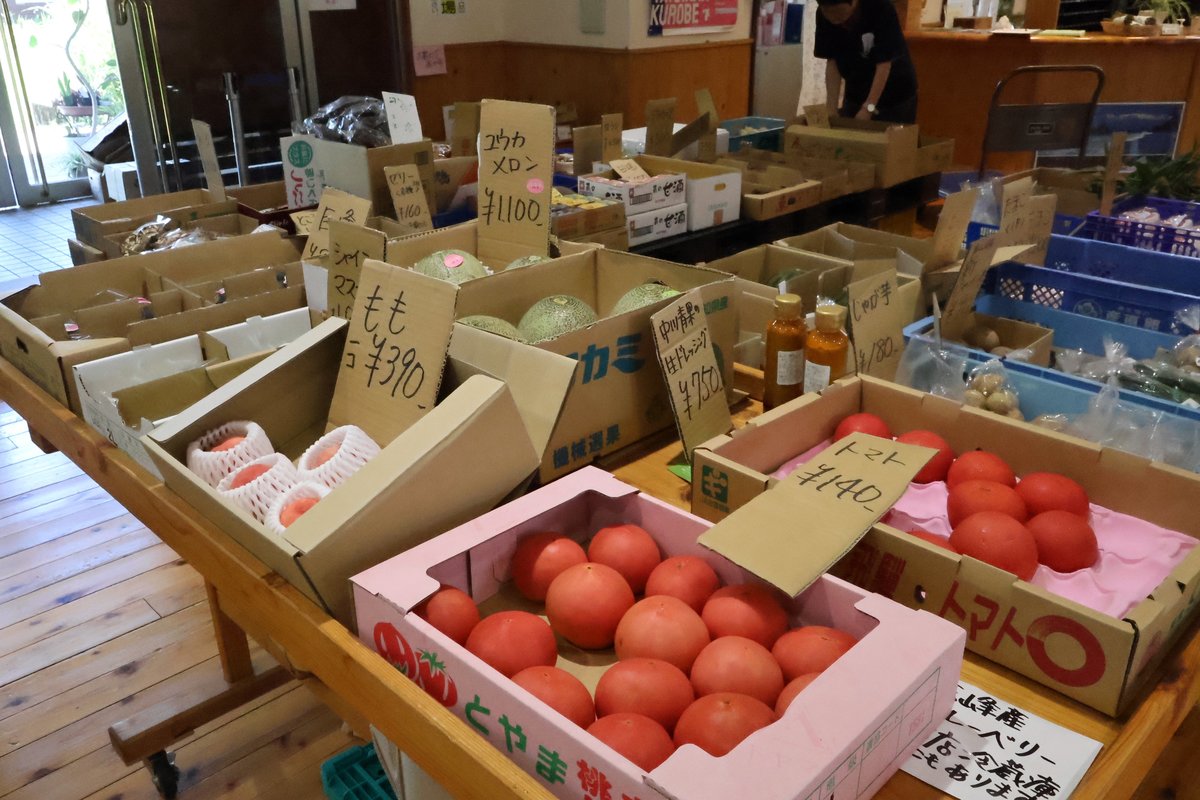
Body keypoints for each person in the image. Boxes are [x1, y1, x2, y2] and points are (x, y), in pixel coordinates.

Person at [815, 0, 918, 124]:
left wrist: (868, 108)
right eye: (827, 12)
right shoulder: (823, 14)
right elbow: (832, 61)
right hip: (855, 92)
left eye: (839, 13)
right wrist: (831, 107)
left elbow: (883, 64)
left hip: (895, 93)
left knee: (890, 135)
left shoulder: (881, 8)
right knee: (849, 132)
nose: (834, 19)